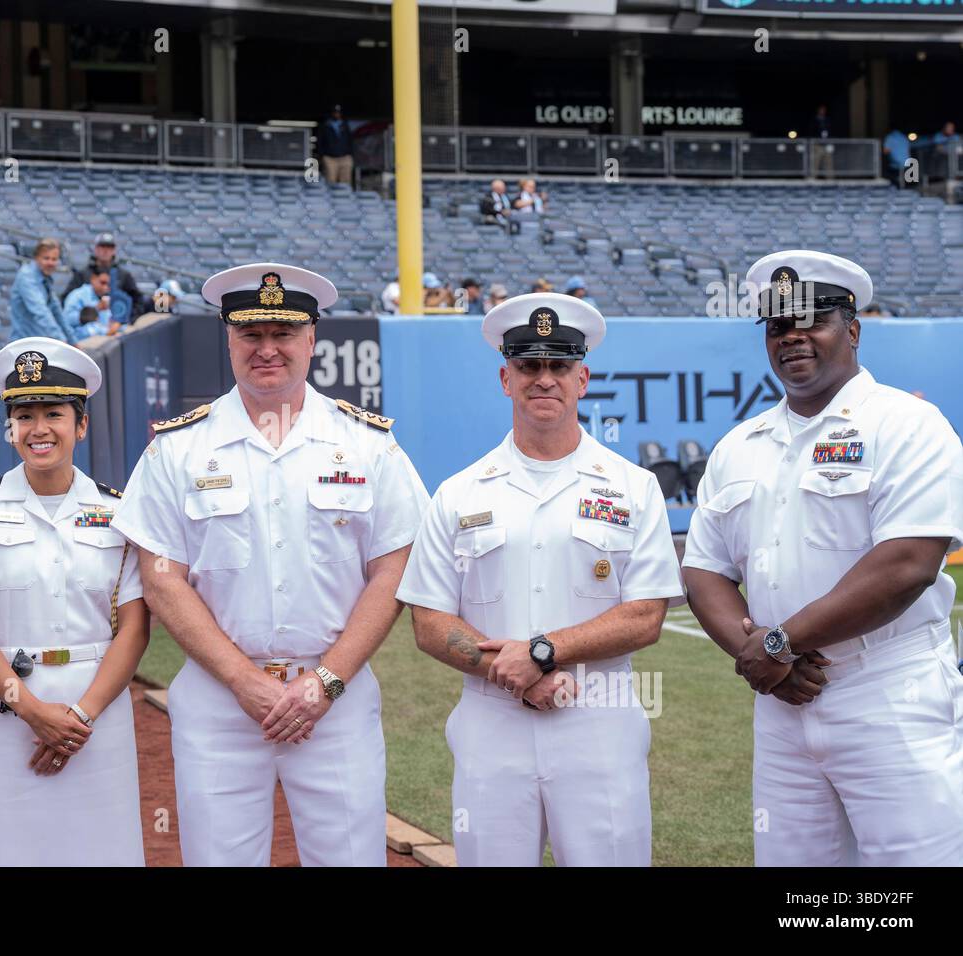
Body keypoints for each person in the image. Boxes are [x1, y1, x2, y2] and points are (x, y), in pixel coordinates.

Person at [112, 262, 430, 866]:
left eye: (282, 334)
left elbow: (395, 567)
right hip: (219, 701)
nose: (267, 349)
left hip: (335, 699)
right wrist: (242, 681)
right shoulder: (179, 448)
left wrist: (327, 681)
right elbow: (161, 577)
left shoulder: (366, 443)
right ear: (228, 340)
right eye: (250, 334)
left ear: (311, 340)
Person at [682, 250, 963, 866]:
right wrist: (762, 656)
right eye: (778, 325)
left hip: (889, 692)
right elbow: (704, 569)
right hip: (784, 701)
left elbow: (907, 564)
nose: (793, 335)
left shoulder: (909, 425)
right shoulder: (739, 446)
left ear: (853, 329)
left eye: (813, 319)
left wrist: (779, 643)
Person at [397, 292, 683, 867]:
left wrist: (543, 652)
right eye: (529, 365)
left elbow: (645, 615)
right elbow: (429, 621)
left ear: (583, 378)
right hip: (490, 723)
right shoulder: (459, 492)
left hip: (598, 721)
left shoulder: (632, 487)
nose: (544, 379)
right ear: (506, 378)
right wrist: (514, 675)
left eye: (559, 366)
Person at [0, 337, 149, 866]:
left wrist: (79, 716)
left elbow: (134, 628)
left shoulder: (118, 512)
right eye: (24, 415)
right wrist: (33, 711)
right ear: (9, 428)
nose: (39, 429)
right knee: (7, 852)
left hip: (95, 716)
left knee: (102, 852)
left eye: (54, 413)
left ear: (80, 425)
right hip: (7, 710)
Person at [60, 232, 143, 322]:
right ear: (96, 249)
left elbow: (137, 301)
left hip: (117, 325)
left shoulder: (124, 275)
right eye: (102, 246)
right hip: (88, 326)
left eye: (109, 247)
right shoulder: (82, 275)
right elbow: (67, 301)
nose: (105, 250)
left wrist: (125, 319)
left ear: (114, 250)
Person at [10, 238, 78, 345]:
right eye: (46, 258)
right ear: (36, 258)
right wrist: (61, 340)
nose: (51, 263)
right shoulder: (27, 277)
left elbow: (57, 312)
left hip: (40, 343)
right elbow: (40, 311)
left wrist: (73, 341)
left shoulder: (46, 278)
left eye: (54, 259)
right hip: (24, 345)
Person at [62, 267, 118, 337]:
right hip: (77, 342)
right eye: (103, 283)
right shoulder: (78, 295)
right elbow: (66, 320)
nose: (106, 287)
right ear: (93, 279)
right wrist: (96, 309)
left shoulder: (107, 298)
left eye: (109, 284)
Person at [318, 104, 354, 185]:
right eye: (335, 112)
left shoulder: (345, 125)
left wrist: (350, 154)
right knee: (331, 181)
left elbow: (351, 141)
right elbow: (320, 142)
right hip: (330, 158)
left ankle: (345, 197)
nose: (337, 114)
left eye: (339, 112)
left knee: (345, 182)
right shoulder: (325, 125)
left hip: (345, 157)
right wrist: (322, 155)